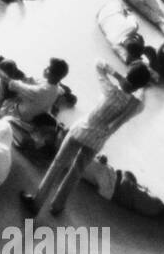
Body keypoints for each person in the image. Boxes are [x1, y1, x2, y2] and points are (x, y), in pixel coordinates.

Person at [20, 61, 149, 216]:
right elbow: (142, 99)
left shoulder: (110, 90)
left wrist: (117, 75)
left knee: (58, 165)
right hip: (97, 142)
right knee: (76, 172)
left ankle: (37, 203)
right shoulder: (134, 106)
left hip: (80, 131)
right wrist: (142, 88)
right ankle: (57, 206)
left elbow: (99, 64)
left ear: (127, 75)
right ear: (139, 86)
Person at [80, 155, 164, 227]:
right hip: (115, 188)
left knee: (129, 175)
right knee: (153, 203)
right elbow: (105, 188)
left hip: (116, 178)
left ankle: (147, 200)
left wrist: (101, 160)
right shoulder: (75, 159)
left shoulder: (78, 151)